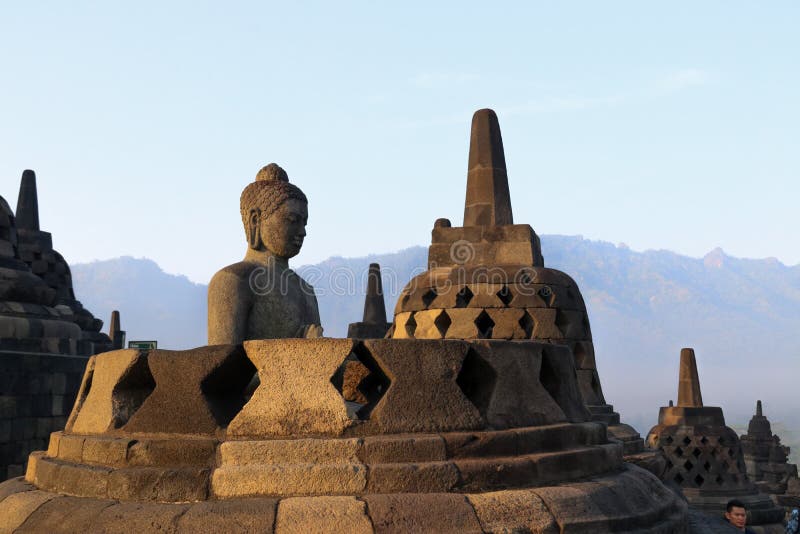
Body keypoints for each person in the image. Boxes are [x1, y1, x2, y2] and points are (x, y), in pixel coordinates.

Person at [208, 163, 322, 344]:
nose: (302, 231)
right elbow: (225, 365)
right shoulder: (232, 280)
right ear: (255, 220)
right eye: (293, 220)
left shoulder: (305, 290)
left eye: (304, 223)